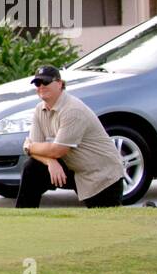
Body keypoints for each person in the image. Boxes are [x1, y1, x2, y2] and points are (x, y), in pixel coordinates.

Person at [16, 65, 125, 208]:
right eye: (37, 83)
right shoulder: (39, 109)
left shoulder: (72, 110)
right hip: (73, 168)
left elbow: (57, 151)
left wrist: (29, 146)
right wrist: (50, 162)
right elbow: (36, 149)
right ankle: (25, 220)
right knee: (32, 167)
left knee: (108, 224)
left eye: (46, 82)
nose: (41, 86)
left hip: (100, 174)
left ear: (60, 84)